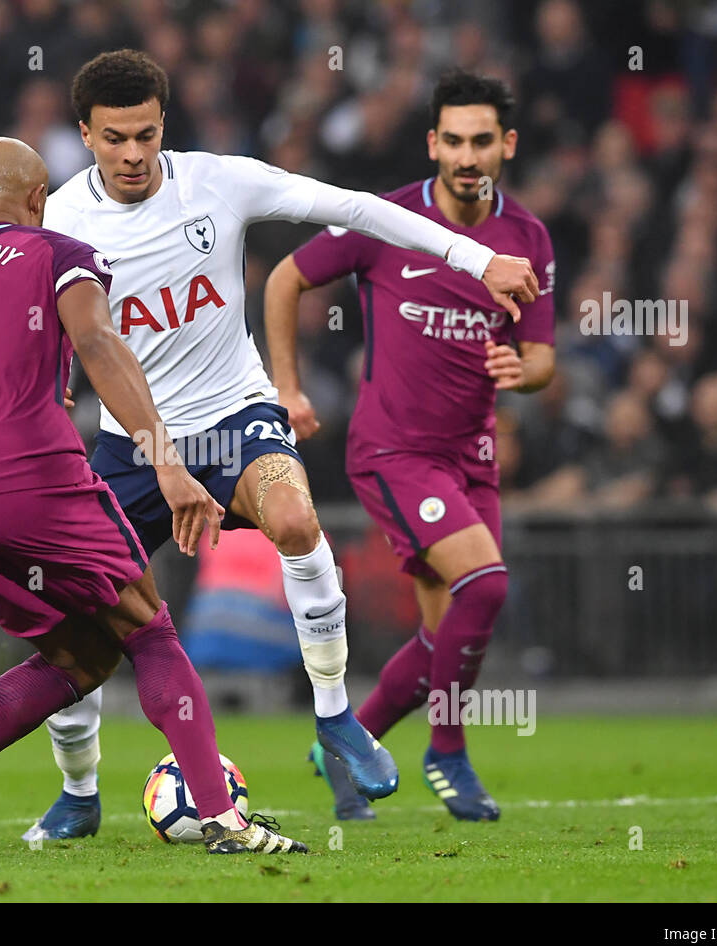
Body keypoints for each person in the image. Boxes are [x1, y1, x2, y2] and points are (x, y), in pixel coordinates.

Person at [25, 49, 539, 842]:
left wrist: (478, 258)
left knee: (298, 524)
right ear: (85, 134)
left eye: (148, 136)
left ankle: (336, 720)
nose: (134, 155)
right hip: (134, 447)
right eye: (115, 138)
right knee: (78, 621)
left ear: (167, 126)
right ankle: (79, 792)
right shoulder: (59, 222)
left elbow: (360, 208)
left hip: (236, 419)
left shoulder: (219, 181)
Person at [0, 137, 305, 856]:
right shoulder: (55, 252)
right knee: (150, 631)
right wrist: (166, 464)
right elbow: (101, 345)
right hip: (32, 479)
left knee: (78, 660)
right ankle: (226, 821)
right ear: (38, 201)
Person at [265, 70, 557, 821]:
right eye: (453, 140)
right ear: (432, 143)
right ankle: (447, 752)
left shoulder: (526, 237)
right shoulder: (386, 221)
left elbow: (543, 355)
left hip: (475, 458)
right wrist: (287, 390)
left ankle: (346, 743)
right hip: (395, 452)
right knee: (485, 586)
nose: (467, 155)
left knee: (441, 639)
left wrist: (521, 374)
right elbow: (283, 280)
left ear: (507, 146)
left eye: (482, 141)